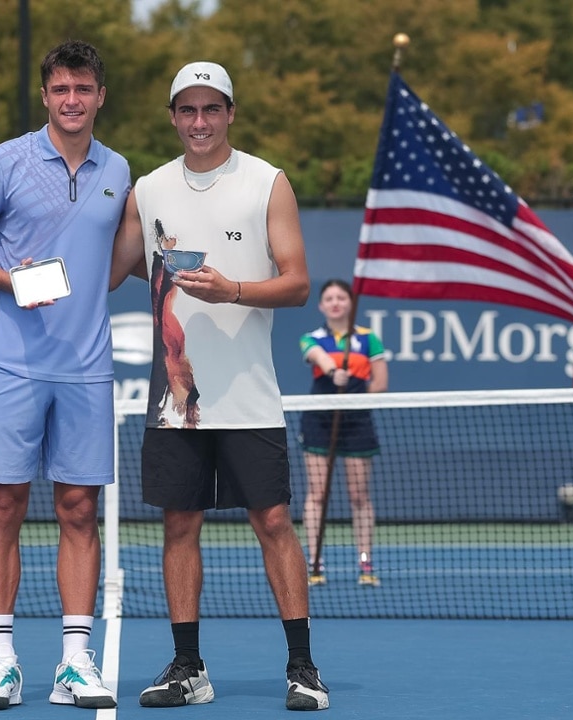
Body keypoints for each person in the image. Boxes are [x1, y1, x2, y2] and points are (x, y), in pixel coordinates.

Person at [110, 61, 330, 711]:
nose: (199, 122)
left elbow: (297, 283)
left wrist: (231, 288)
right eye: (187, 110)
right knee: (180, 526)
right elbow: (111, 267)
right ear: (174, 116)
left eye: (211, 109)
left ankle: (303, 667)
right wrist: (19, 278)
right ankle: (188, 668)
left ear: (230, 112)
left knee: (273, 523)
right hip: (176, 401)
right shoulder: (147, 189)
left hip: (251, 395)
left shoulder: (268, 183)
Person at [0, 39, 128, 711]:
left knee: (78, 509)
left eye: (83, 89)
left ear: (100, 97)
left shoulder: (120, 171)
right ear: (46, 96)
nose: (71, 100)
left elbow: (125, 258)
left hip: (85, 371)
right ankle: (0, 663)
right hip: (12, 364)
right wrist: (10, 281)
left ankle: (75, 664)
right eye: (60, 90)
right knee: (3, 506)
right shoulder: (6, 161)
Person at [298, 279, 389, 587]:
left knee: (359, 495)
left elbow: (380, 383)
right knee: (318, 493)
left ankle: (365, 563)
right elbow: (314, 355)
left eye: (341, 297)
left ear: (350, 303)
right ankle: (315, 561)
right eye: (329, 298)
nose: (336, 302)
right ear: (322, 306)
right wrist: (332, 371)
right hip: (319, 421)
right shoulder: (312, 338)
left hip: (356, 422)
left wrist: (356, 401)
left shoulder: (367, 339)